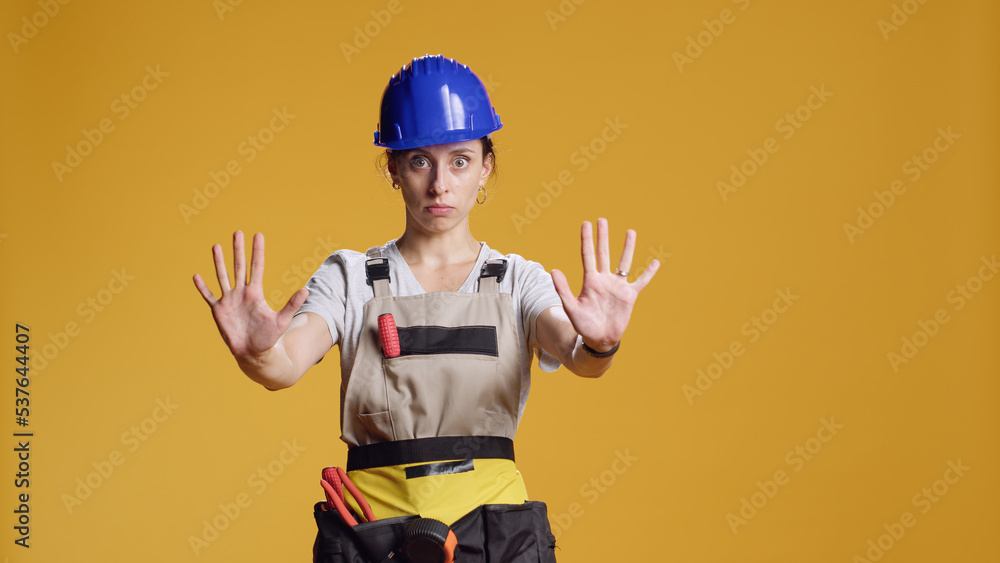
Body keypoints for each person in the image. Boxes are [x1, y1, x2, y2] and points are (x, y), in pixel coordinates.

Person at [193, 54, 659, 562]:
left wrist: (602, 342)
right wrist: (256, 354)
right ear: (393, 168)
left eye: (460, 161)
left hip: (496, 537)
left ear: (486, 168)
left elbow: (579, 357)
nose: (440, 184)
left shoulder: (519, 280)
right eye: (420, 161)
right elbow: (283, 366)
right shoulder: (351, 277)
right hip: (374, 536)